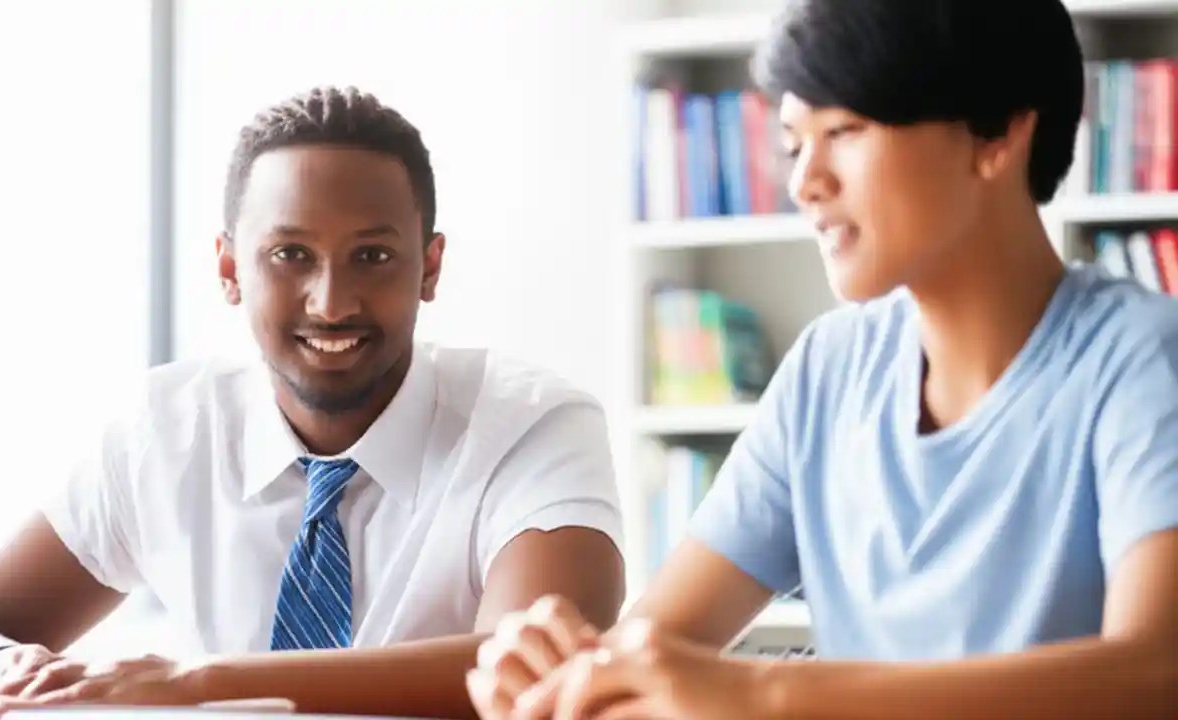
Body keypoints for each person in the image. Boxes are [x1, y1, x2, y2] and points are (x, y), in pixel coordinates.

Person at [468, 1, 1178, 718]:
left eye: (843, 132)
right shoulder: (828, 369)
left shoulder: (1142, 358)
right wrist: (563, 681)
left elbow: (1157, 668)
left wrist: (767, 691)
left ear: (996, 134)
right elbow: (653, 646)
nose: (806, 182)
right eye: (793, 143)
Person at [0, 86, 625, 718]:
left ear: (429, 267)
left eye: (372, 256)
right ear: (229, 268)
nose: (332, 302)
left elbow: (533, 674)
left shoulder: (533, 425)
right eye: (291, 255)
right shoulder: (165, 430)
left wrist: (201, 687)